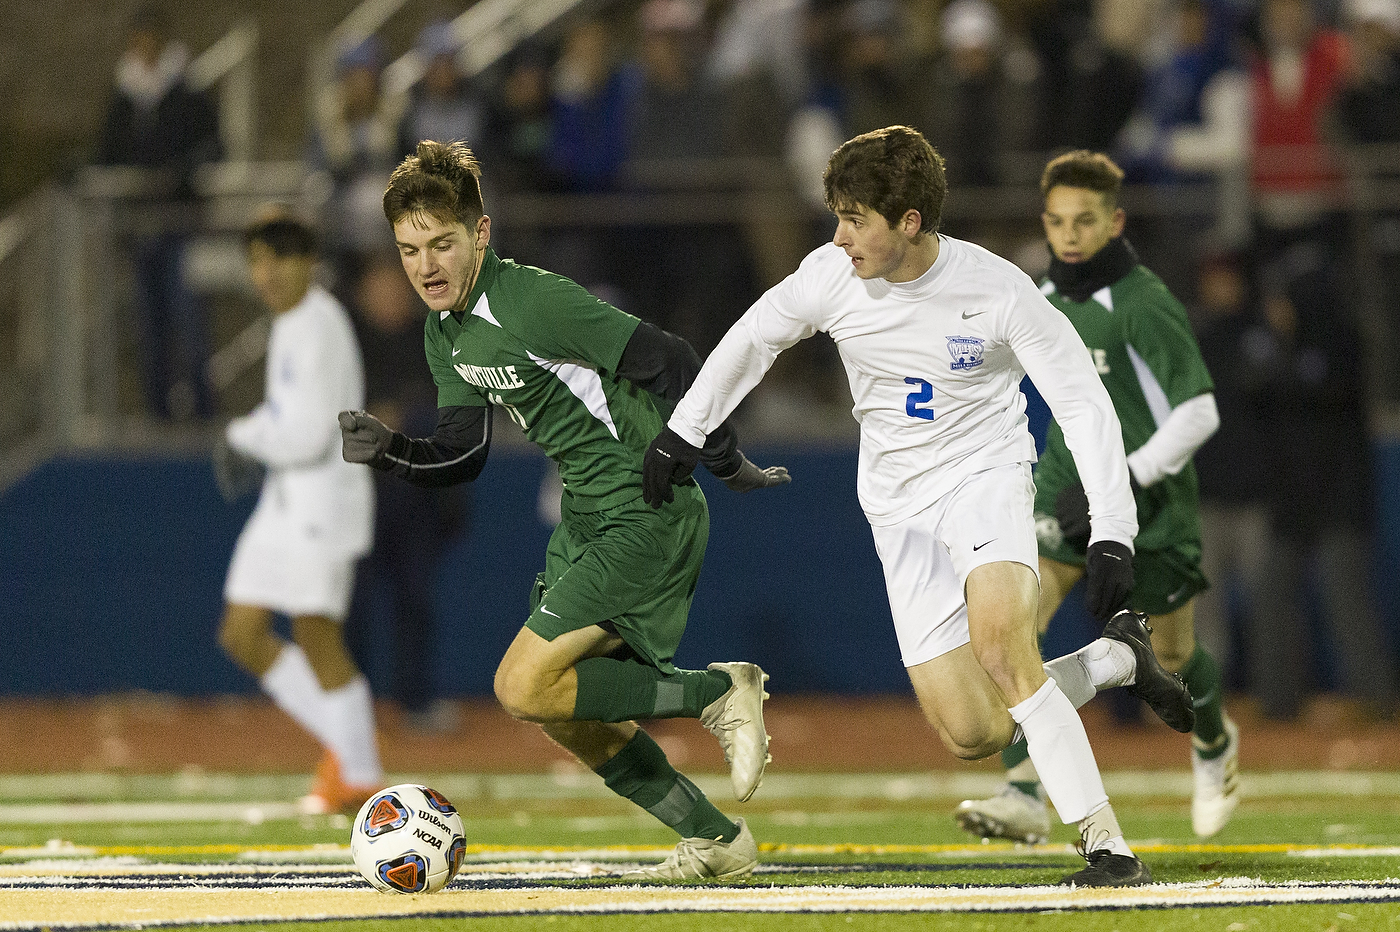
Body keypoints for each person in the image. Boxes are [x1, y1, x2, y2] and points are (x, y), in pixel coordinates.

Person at [643, 125, 1195, 888]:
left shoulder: (998, 290)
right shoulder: (831, 274)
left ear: (909, 221)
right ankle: (1118, 658)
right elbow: (754, 339)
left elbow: (1083, 404)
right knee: (976, 731)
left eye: (854, 219)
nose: (838, 237)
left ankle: (1108, 847)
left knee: (1003, 649)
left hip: (985, 481)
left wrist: (1113, 532)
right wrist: (685, 430)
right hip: (898, 510)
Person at [337, 140, 790, 880]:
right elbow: (462, 453)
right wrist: (392, 451)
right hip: (587, 518)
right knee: (563, 710)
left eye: (442, 243)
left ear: (481, 233)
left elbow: (672, 358)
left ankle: (718, 692)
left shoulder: (531, 301)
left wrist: (718, 455)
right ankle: (716, 840)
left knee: (519, 685)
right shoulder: (444, 331)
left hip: (643, 508)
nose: (425, 266)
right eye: (409, 249)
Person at [952, 151, 1239, 844]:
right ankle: (1025, 792)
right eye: (1056, 222)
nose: (1069, 235)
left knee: (1173, 654)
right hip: (1059, 489)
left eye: (1084, 221)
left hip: (1148, 500)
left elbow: (1199, 411)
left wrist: (1124, 479)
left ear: (1115, 222)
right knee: (1012, 628)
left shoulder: (1143, 303)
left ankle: (1214, 743)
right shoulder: (1038, 294)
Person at [214, 207, 380, 814]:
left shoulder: (320, 324)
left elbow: (309, 435)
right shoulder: (290, 323)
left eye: (279, 258)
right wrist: (246, 432)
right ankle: (350, 749)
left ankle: (358, 771)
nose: (267, 273)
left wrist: (243, 438)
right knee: (241, 632)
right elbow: (283, 416)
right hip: (285, 500)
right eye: (257, 261)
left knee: (316, 633)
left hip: (322, 503)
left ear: (308, 262)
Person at [95, 5, 221, 420]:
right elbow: (108, 153)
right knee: (149, 329)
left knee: (189, 323)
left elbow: (213, 145)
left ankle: (203, 415)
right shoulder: (124, 98)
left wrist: (188, 169)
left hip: (180, 225)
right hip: (139, 227)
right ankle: (158, 416)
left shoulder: (187, 92)